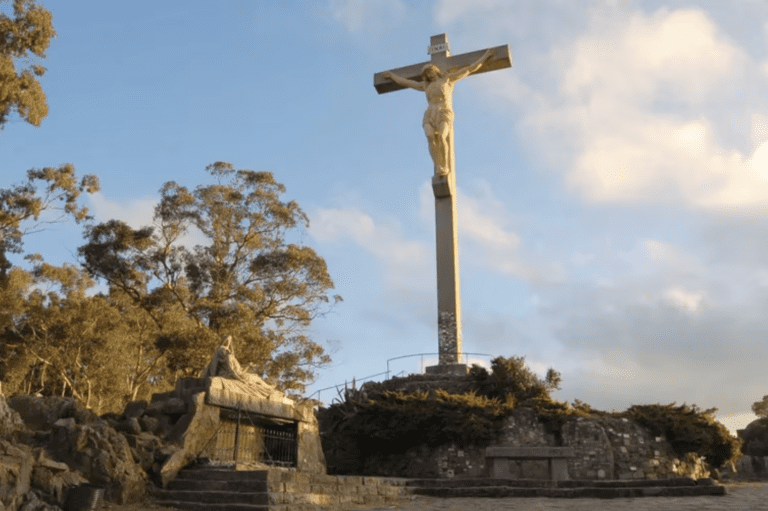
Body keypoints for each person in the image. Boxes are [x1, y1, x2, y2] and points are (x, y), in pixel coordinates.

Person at [383, 48, 495, 176]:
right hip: (430, 113)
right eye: (426, 73)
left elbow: (470, 68)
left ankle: (445, 165)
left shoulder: (448, 80)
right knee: (430, 136)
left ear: (435, 70)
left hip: (444, 111)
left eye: (430, 71)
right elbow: (407, 82)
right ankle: (438, 165)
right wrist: (392, 76)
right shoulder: (426, 86)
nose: (429, 74)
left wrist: (486, 56)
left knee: (442, 137)